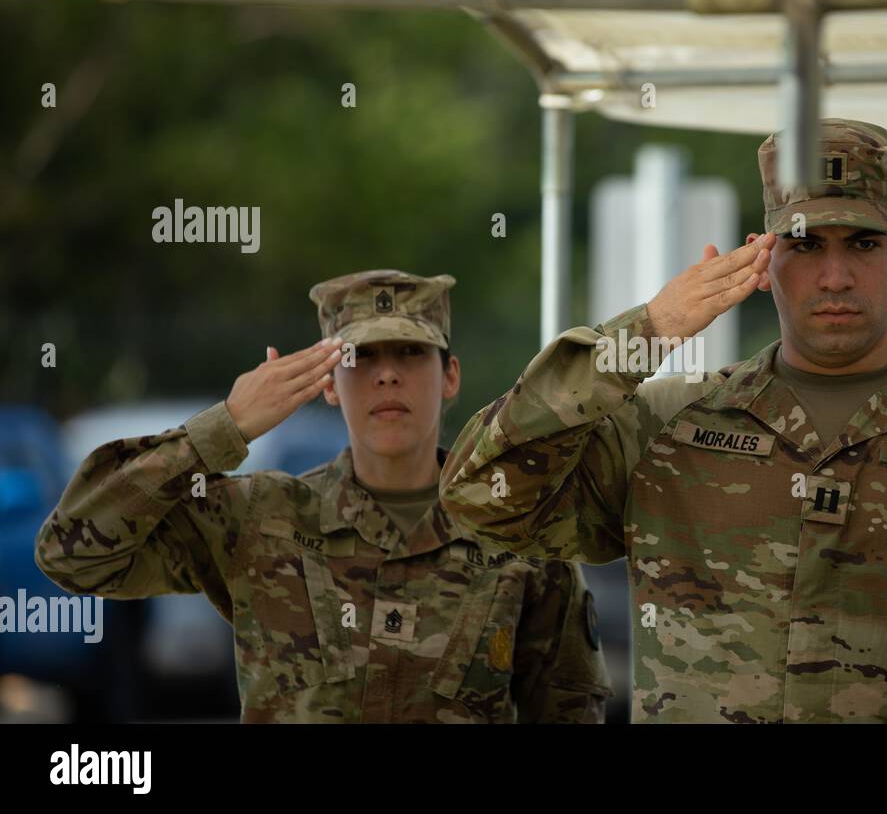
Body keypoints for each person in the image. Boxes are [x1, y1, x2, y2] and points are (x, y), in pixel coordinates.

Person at [441, 120, 887, 723]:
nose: (834, 276)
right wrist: (646, 333)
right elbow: (480, 499)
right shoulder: (669, 425)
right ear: (763, 258)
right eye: (803, 244)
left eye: (861, 242)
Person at [35, 270, 611, 723]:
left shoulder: (519, 536)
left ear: (451, 376)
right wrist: (225, 426)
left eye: (410, 353)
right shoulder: (260, 519)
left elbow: (568, 708)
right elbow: (72, 554)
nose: (387, 376)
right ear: (330, 386)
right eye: (360, 357)